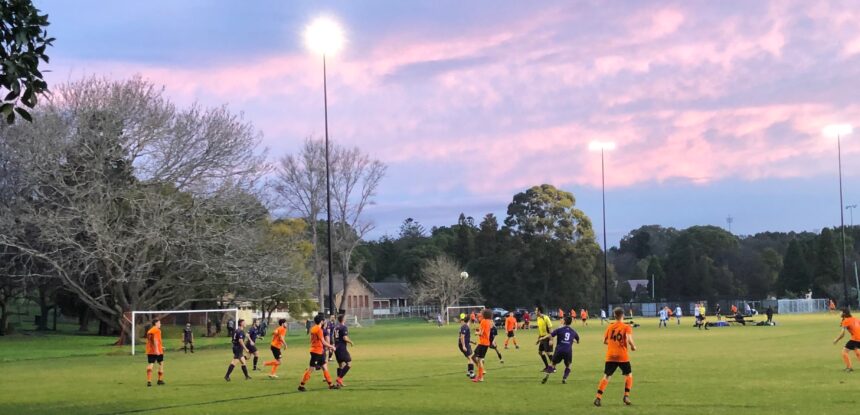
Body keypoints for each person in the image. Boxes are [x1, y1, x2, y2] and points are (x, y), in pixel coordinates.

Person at [594, 307, 636, 407]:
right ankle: (626, 396)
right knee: (628, 375)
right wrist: (633, 346)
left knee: (606, 377)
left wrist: (613, 343)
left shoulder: (610, 327)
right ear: (623, 315)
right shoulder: (626, 327)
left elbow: (605, 341)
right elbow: (629, 339)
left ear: (614, 316)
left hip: (611, 355)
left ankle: (598, 398)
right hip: (622, 355)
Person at [298, 314, 338, 391]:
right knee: (311, 369)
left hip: (318, 351)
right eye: (323, 320)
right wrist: (331, 346)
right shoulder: (319, 330)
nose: (324, 321)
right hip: (316, 352)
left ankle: (331, 385)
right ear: (321, 321)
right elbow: (323, 341)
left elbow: (311, 339)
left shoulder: (313, 328)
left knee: (324, 367)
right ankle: (301, 385)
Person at [541, 316, 580, 384]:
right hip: (568, 351)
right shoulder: (573, 331)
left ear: (564, 322)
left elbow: (550, 335)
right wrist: (573, 341)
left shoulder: (559, 329)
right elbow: (578, 340)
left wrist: (542, 338)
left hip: (559, 350)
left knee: (552, 363)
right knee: (569, 365)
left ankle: (547, 375)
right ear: (570, 323)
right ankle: (564, 379)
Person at [472, 308, 493, 383]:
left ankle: (480, 376)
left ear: (484, 314)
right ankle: (480, 375)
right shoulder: (488, 321)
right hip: (485, 343)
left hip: (482, 343)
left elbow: (481, 333)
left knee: (478, 359)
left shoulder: (484, 321)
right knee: (478, 359)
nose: (481, 313)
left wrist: (476, 333)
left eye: (482, 313)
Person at [333, 314, 354, 387]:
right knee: (349, 363)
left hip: (336, 348)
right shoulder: (344, 327)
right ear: (343, 319)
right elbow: (345, 338)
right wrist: (351, 342)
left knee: (341, 365)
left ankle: (338, 383)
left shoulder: (336, 327)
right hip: (342, 348)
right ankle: (339, 379)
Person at [145, 319, 165, 387]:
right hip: (157, 351)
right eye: (159, 323)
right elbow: (155, 340)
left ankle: (149, 381)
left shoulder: (149, 331)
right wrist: (157, 350)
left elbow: (150, 340)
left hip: (150, 350)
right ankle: (160, 380)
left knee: (151, 364)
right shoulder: (157, 330)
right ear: (156, 323)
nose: (160, 324)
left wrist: (161, 346)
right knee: (161, 364)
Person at [535, 306, 554, 372]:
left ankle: (553, 368)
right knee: (540, 352)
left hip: (547, 337)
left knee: (548, 353)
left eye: (536, 310)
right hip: (542, 338)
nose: (535, 312)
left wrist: (551, 339)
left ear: (539, 311)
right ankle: (546, 367)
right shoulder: (538, 318)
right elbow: (540, 330)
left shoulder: (546, 318)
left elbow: (550, 329)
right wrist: (538, 339)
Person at [458, 313, 475, 379]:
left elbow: (466, 337)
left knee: (469, 357)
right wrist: (464, 346)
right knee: (471, 358)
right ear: (468, 320)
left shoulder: (465, 326)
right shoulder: (465, 327)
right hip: (464, 344)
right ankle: (472, 374)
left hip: (465, 343)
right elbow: (462, 337)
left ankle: (468, 372)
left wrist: (472, 342)